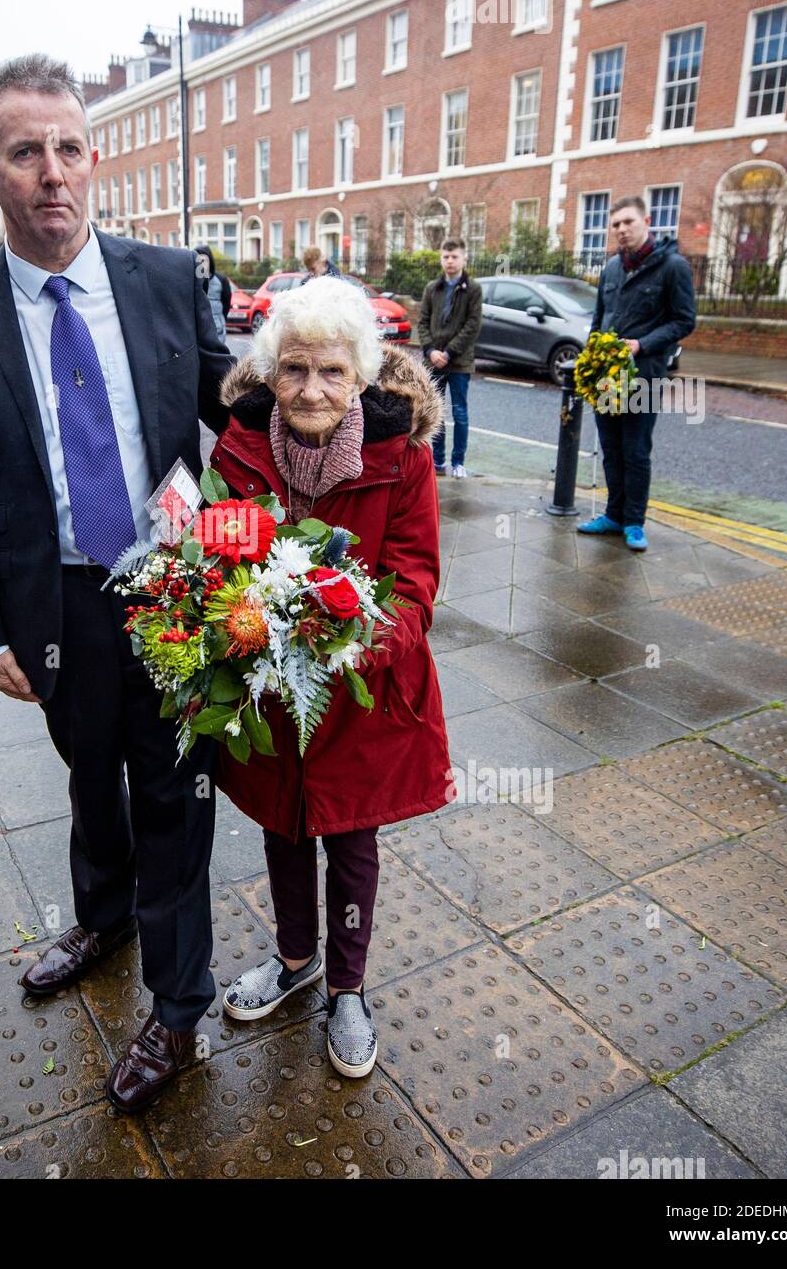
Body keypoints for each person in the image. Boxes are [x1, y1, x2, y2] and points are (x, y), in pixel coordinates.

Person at [0, 54, 233, 1114]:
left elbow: (239, 407)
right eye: (25, 152)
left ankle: (177, 1008)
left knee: (176, 799)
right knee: (90, 775)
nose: (52, 172)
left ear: (90, 158)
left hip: (172, 594)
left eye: (67, 148)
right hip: (53, 605)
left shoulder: (165, 277)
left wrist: (363, 424)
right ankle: (101, 917)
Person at [209, 276, 452, 1078]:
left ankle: (347, 985)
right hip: (273, 693)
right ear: (273, 372)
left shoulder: (403, 457)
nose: (311, 389)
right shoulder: (237, 448)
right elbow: (215, 559)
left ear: (361, 376)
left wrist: (353, 643)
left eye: (332, 372)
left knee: (351, 842)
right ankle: (293, 959)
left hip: (361, 696)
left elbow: (415, 579)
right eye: (295, 370)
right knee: (283, 827)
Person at [577, 196, 696, 552]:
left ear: (646, 222)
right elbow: (600, 318)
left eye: (628, 222)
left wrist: (642, 345)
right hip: (607, 378)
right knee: (610, 449)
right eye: (615, 225)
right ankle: (613, 515)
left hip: (643, 375)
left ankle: (634, 522)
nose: (621, 229)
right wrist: (592, 354)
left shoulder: (673, 267)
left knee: (636, 451)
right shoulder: (612, 268)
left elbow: (684, 321)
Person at [417, 237, 482, 479]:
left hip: (459, 362)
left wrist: (448, 352)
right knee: (437, 413)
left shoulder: (473, 289)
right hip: (433, 360)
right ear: (441, 259)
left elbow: (472, 325)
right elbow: (422, 322)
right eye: (446, 256)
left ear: (464, 258)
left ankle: (458, 462)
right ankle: (438, 461)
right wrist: (431, 351)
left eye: (455, 257)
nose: (450, 261)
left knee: (460, 412)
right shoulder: (432, 288)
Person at [194, 244, 231, 347]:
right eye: (198, 261)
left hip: (217, 328)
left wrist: (220, 319)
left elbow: (226, 302)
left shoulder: (221, 280)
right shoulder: (191, 280)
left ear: (210, 261)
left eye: (204, 261)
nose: (201, 264)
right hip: (197, 329)